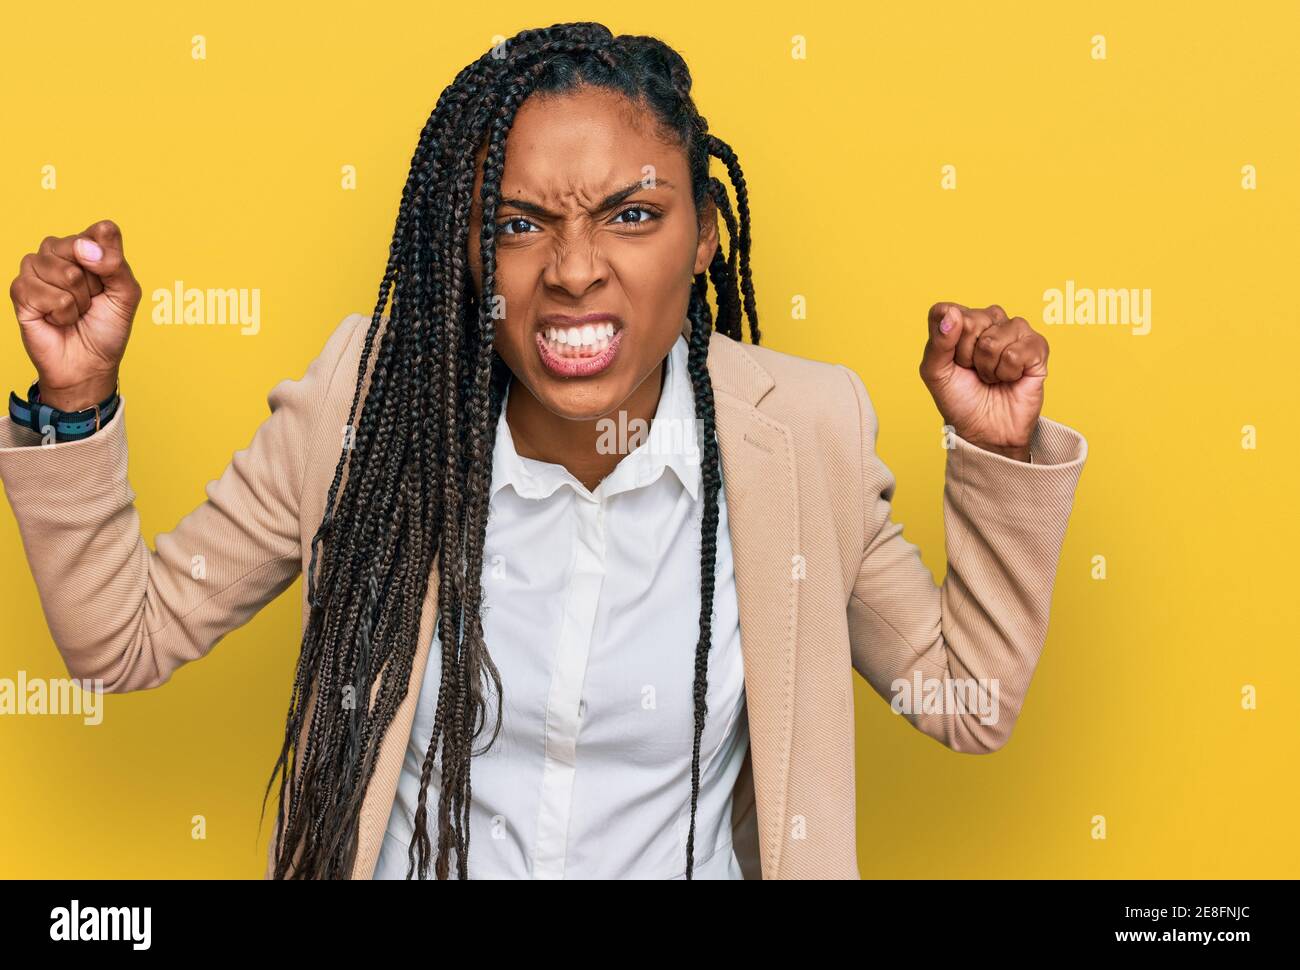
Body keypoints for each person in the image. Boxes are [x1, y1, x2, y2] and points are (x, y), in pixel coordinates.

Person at [0, 21, 1087, 880]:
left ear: (704, 233)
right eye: (517, 223)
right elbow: (121, 641)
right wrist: (78, 397)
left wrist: (996, 460)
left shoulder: (801, 435)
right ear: (465, 244)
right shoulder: (365, 405)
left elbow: (965, 702)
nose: (572, 269)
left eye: (631, 214)